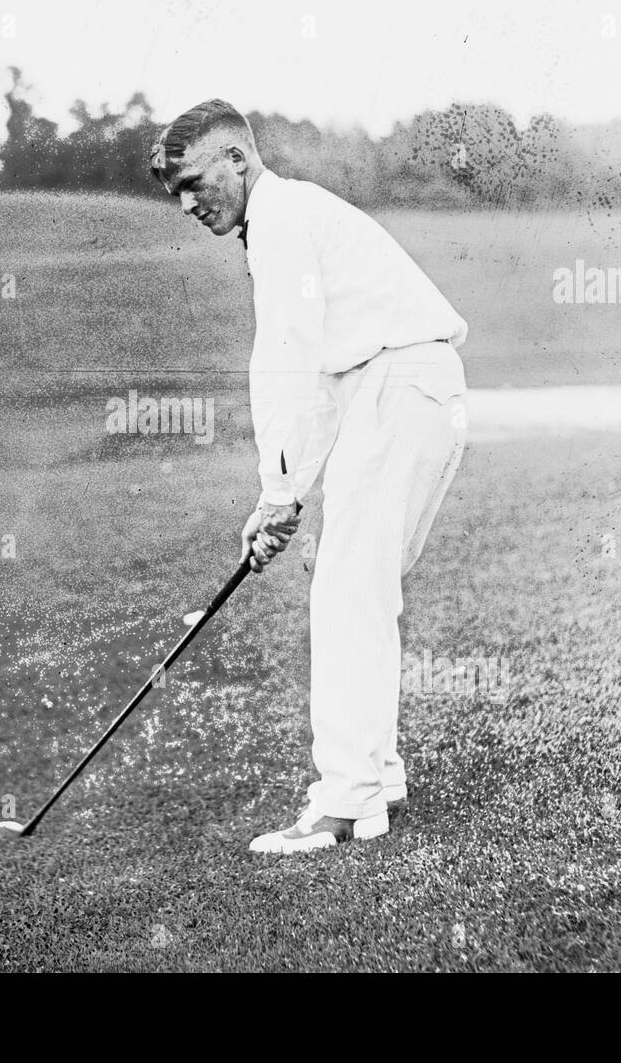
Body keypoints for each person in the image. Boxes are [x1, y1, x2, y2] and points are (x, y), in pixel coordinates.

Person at [150, 99, 469, 853]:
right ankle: (375, 772)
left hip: (403, 386)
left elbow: (288, 359)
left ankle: (347, 805)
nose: (192, 204)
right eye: (178, 196)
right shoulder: (285, 222)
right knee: (361, 587)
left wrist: (279, 492)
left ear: (238, 159)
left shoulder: (284, 219)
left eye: (197, 182)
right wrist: (282, 501)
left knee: (349, 592)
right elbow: (325, 387)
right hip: (412, 388)